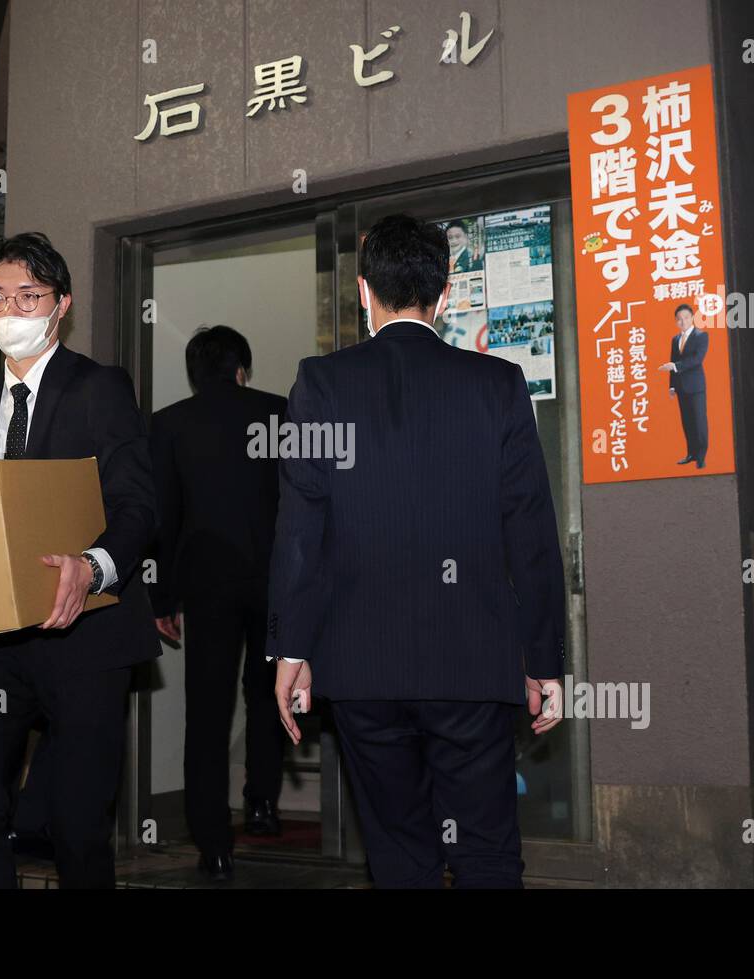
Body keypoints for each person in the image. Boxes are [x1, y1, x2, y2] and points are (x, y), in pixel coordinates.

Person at [268, 214, 566, 889]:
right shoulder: (498, 385)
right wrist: (543, 659)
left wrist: (291, 649)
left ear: (364, 291)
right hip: (474, 661)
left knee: (399, 854)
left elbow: (299, 530)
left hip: (362, 665)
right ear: (447, 291)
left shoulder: (320, 385)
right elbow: (532, 533)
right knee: (488, 851)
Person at [0, 231, 161, 888]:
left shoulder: (100, 388)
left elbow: (137, 503)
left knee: (77, 823)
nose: (11, 311)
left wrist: (91, 566)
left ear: (61, 303)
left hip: (84, 636)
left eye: (28, 296)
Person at [149, 326, 288, 881]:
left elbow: (163, 517)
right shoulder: (281, 413)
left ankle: (213, 842)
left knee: (207, 712)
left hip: (206, 586)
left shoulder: (169, 423)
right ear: (242, 368)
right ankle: (262, 803)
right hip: (274, 582)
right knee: (267, 693)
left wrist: (163, 597)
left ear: (193, 372)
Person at [659, 302, 709, 469]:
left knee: (699, 422)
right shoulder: (675, 339)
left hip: (696, 387)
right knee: (687, 422)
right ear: (676, 322)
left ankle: (701, 456)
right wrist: (672, 386)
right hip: (681, 387)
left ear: (692, 318)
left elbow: (697, 360)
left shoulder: (701, 336)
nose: (683, 321)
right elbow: (672, 360)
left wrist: (675, 367)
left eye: (686, 318)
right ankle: (691, 453)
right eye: (679, 319)